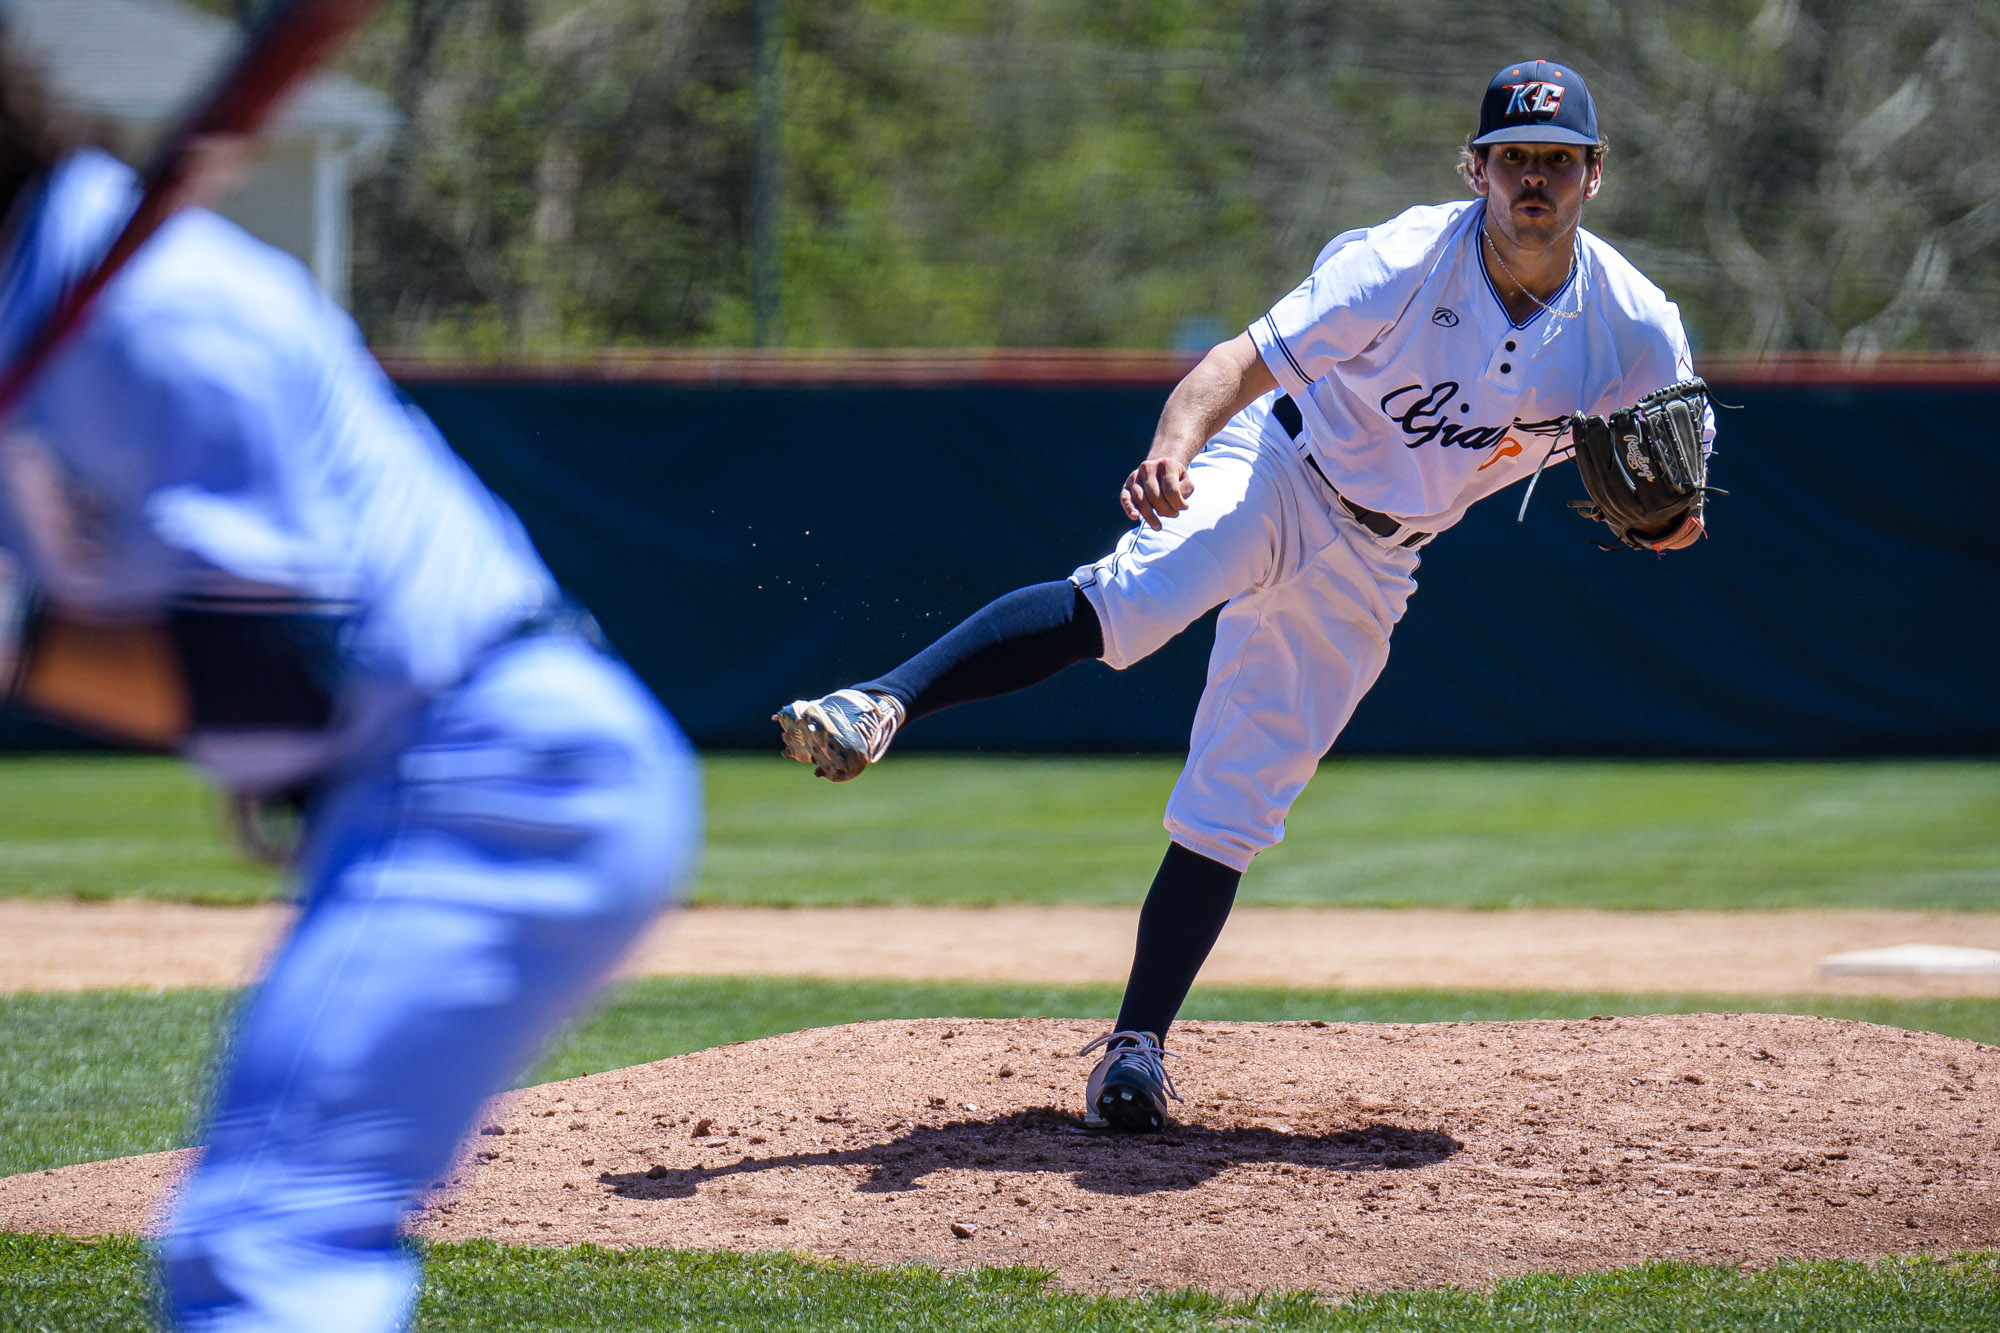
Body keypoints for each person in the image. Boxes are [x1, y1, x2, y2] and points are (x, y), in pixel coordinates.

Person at [775, 60, 1713, 1133]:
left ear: (1595, 176)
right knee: (1136, 599)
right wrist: (1173, 447)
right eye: (1511, 160)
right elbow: (1234, 362)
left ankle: (1133, 1049)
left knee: (1240, 793)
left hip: (1377, 559)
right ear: (1474, 170)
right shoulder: (1399, 261)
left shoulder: (1634, 325)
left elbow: (1678, 485)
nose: (1530, 180)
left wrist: (1668, 518)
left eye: (1554, 161)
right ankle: (882, 701)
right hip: (1276, 468)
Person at [0, 37, 699, 1331]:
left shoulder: (149, 311)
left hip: (496, 781)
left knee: (262, 1245)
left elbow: (270, 682)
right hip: (414, 778)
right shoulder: (43, 310)